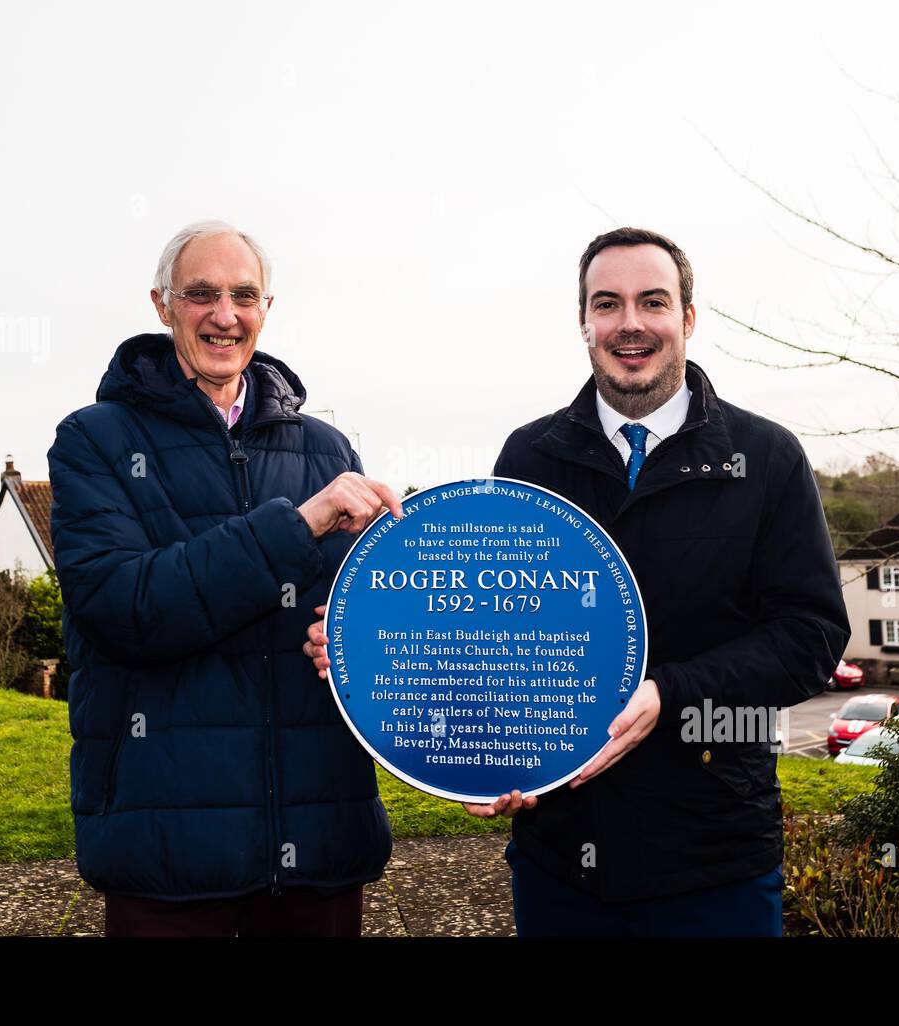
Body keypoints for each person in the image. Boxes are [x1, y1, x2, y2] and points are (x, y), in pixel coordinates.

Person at [305, 227, 849, 936]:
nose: (630, 323)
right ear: (584, 323)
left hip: (716, 860)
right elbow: (487, 634)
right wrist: (373, 650)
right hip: (561, 864)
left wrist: (670, 692)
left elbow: (811, 638)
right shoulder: (531, 454)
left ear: (687, 317)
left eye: (653, 301)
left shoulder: (765, 457)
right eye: (607, 303)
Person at [49, 219, 401, 937]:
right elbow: (124, 608)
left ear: (266, 308)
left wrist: (350, 641)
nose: (225, 314)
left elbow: (358, 613)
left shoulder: (326, 449)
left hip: (320, 844)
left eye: (244, 295)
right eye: (201, 294)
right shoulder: (95, 440)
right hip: (168, 854)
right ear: (162, 305)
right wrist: (299, 523)